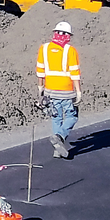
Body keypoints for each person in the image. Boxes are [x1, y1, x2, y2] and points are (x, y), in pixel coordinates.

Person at [35, 19, 82, 158]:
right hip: (66, 91)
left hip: (50, 89)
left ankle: (57, 150)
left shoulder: (43, 48)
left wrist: (40, 87)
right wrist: (78, 91)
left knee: (55, 117)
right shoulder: (70, 50)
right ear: (68, 35)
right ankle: (59, 137)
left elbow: (40, 70)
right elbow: (75, 73)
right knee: (72, 116)